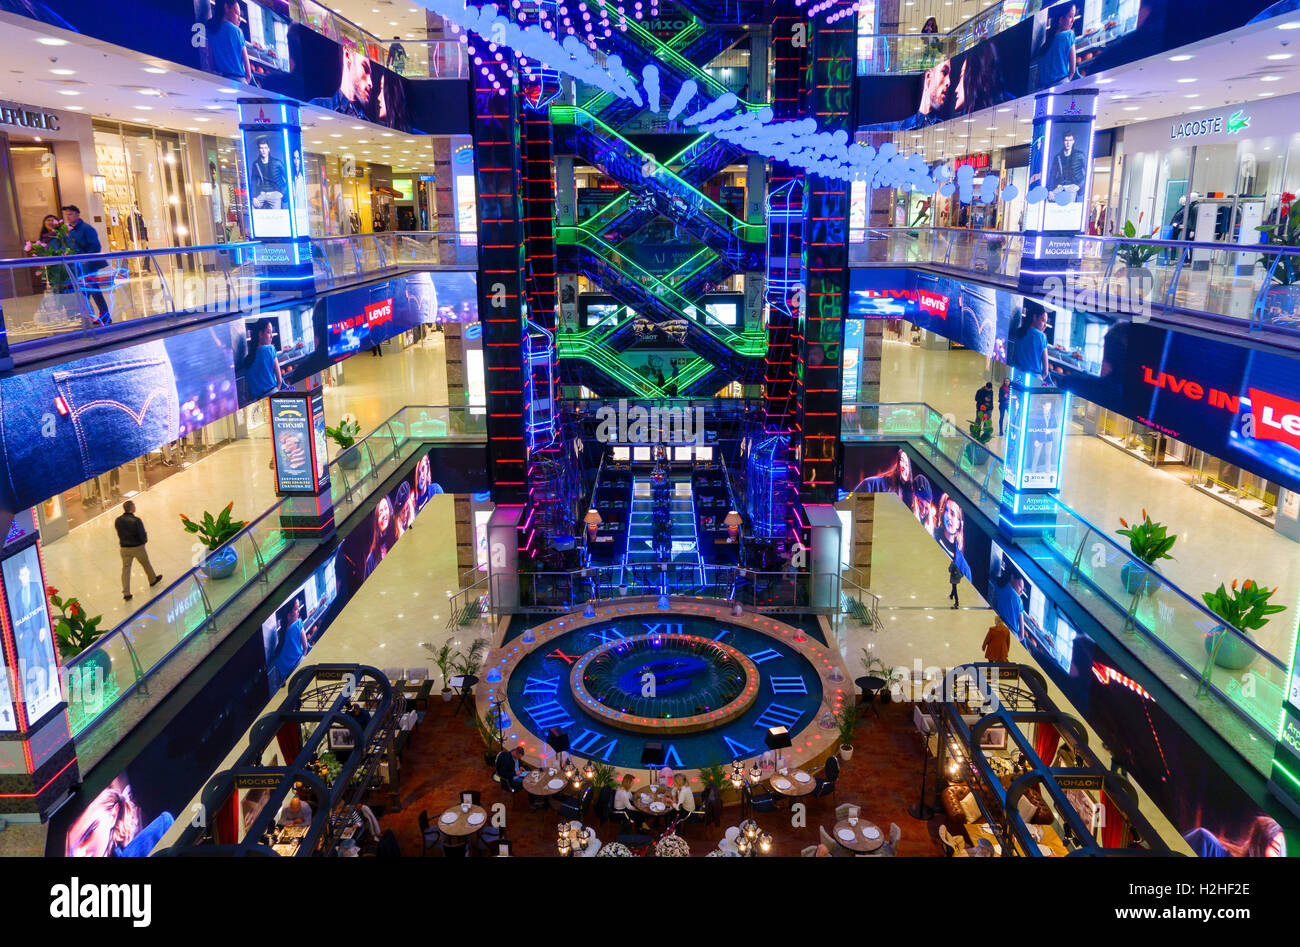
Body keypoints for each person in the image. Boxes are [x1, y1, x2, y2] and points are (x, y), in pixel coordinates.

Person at [64, 777, 174, 857]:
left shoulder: (158, 834)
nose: (79, 854)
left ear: (113, 815)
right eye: (70, 852)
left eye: (88, 835)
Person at [61, 205, 110, 323]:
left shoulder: (86, 229)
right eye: (66, 214)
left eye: (70, 214)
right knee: (88, 290)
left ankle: (101, 315)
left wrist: (85, 258)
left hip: (88, 265)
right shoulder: (69, 230)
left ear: (78, 214)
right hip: (78, 266)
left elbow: (96, 246)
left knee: (91, 289)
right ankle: (94, 315)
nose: (68, 216)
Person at [115, 500, 162, 602]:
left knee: (126, 570)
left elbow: (118, 532)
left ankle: (126, 593)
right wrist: (144, 541)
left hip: (124, 548)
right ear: (131, 508)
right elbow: (142, 534)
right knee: (146, 564)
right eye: (134, 505)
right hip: (137, 547)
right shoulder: (136, 520)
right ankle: (152, 580)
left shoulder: (118, 520)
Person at [309, 47, 374, 120]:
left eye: (371, 76)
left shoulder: (368, 121)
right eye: (365, 68)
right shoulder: (318, 107)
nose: (370, 83)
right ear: (347, 55)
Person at [208, 0, 252, 84]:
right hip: (239, 81)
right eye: (236, 13)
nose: (239, 18)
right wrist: (246, 81)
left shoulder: (210, 30)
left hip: (219, 81)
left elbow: (211, 63)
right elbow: (248, 73)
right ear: (226, 8)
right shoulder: (238, 31)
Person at [1037, 2, 1078, 88]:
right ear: (1061, 20)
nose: (1073, 20)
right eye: (1070, 16)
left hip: (1045, 90)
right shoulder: (1069, 35)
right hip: (1062, 85)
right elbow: (1072, 71)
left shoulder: (1043, 48)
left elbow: (1037, 79)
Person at [1010, 305, 1052, 384]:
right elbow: (1046, 372)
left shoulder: (1019, 332)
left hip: (1017, 375)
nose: (1045, 325)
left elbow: (1014, 358)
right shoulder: (1042, 336)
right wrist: (1039, 381)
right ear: (1034, 317)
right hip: (1034, 378)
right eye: (1043, 320)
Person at [246, 319, 286, 400]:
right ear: (260, 334)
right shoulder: (269, 349)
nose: (272, 336)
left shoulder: (247, 360)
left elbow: (248, 394)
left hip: (257, 400)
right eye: (268, 332)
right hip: (273, 393)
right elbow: (279, 381)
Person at [271, 598, 309, 685]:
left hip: (289, 673)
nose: (299, 610)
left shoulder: (283, 633)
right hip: (299, 664)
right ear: (289, 615)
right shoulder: (298, 624)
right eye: (296, 609)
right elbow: (305, 646)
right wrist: (304, 658)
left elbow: (278, 660)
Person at [250, 137, 288, 211]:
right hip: (262, 194)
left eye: (265, 148)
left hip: (275, 194)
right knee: (253, 212)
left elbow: (289, 178)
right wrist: (254, 197)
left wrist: (282, 193)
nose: (263, 150)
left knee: (276, 218)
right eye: (261, 148)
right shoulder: (256, 164)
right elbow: (253, 181)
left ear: (268, 149)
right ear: (259, 150)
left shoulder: (277, 162)